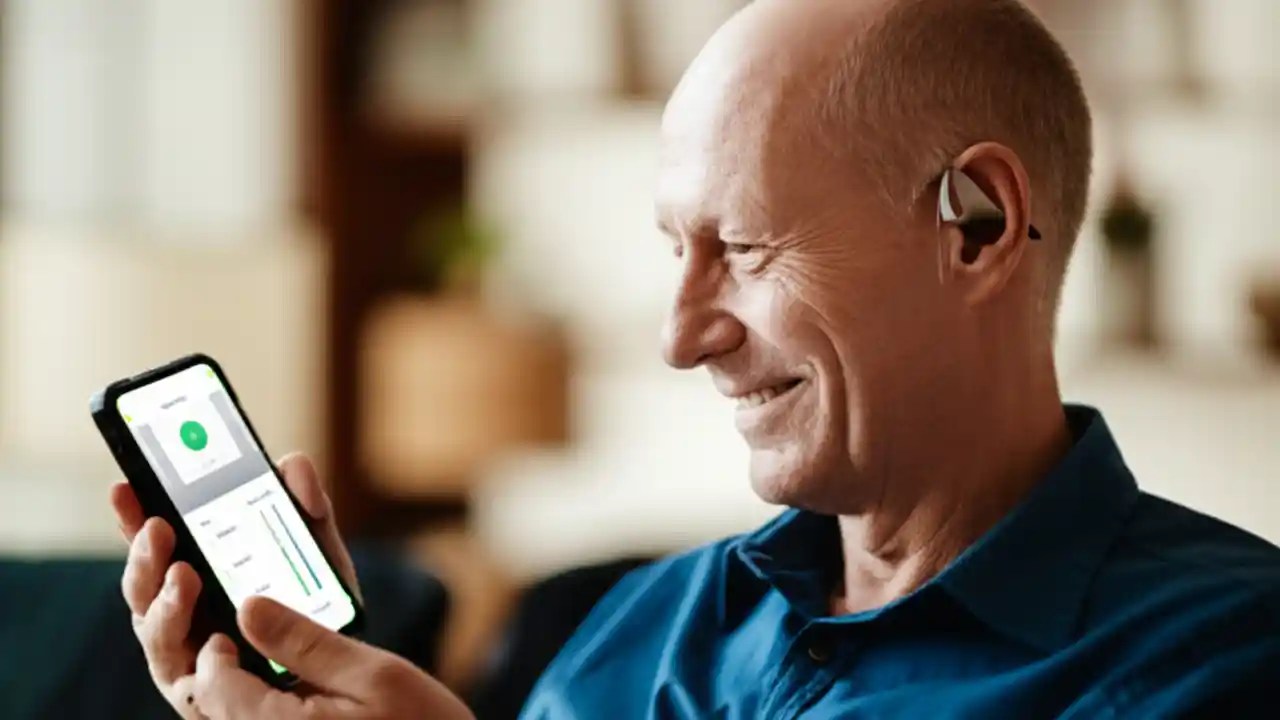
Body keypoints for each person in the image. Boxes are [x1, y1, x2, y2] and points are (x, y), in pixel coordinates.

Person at [110, 0, 1280, 717]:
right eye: (674, 249)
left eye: (749, 246)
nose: (681, 337)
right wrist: (316, 680)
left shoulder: (1220, 663)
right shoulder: (644, 623)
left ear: (972, 226)